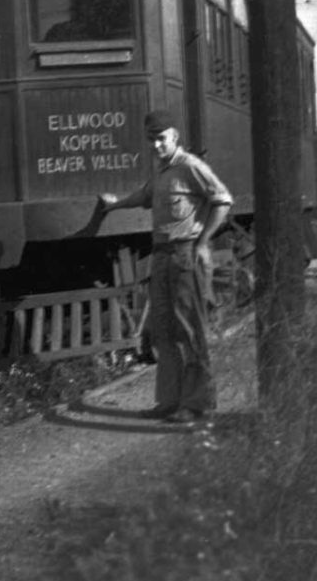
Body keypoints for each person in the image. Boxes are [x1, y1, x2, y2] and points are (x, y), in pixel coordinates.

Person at [98, 110, 232, 424]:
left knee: (189, 330)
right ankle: (169, 401)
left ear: (174, 136)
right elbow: (142, 196)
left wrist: (202, 243)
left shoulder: (191, 167)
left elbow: (222, 201)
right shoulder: (161, 173)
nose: (156, 145)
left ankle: (197, 404)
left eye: (161, 138)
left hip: (186, 254)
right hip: (162, 256)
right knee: (163, 331)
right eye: (152, 140)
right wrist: (114, 205)